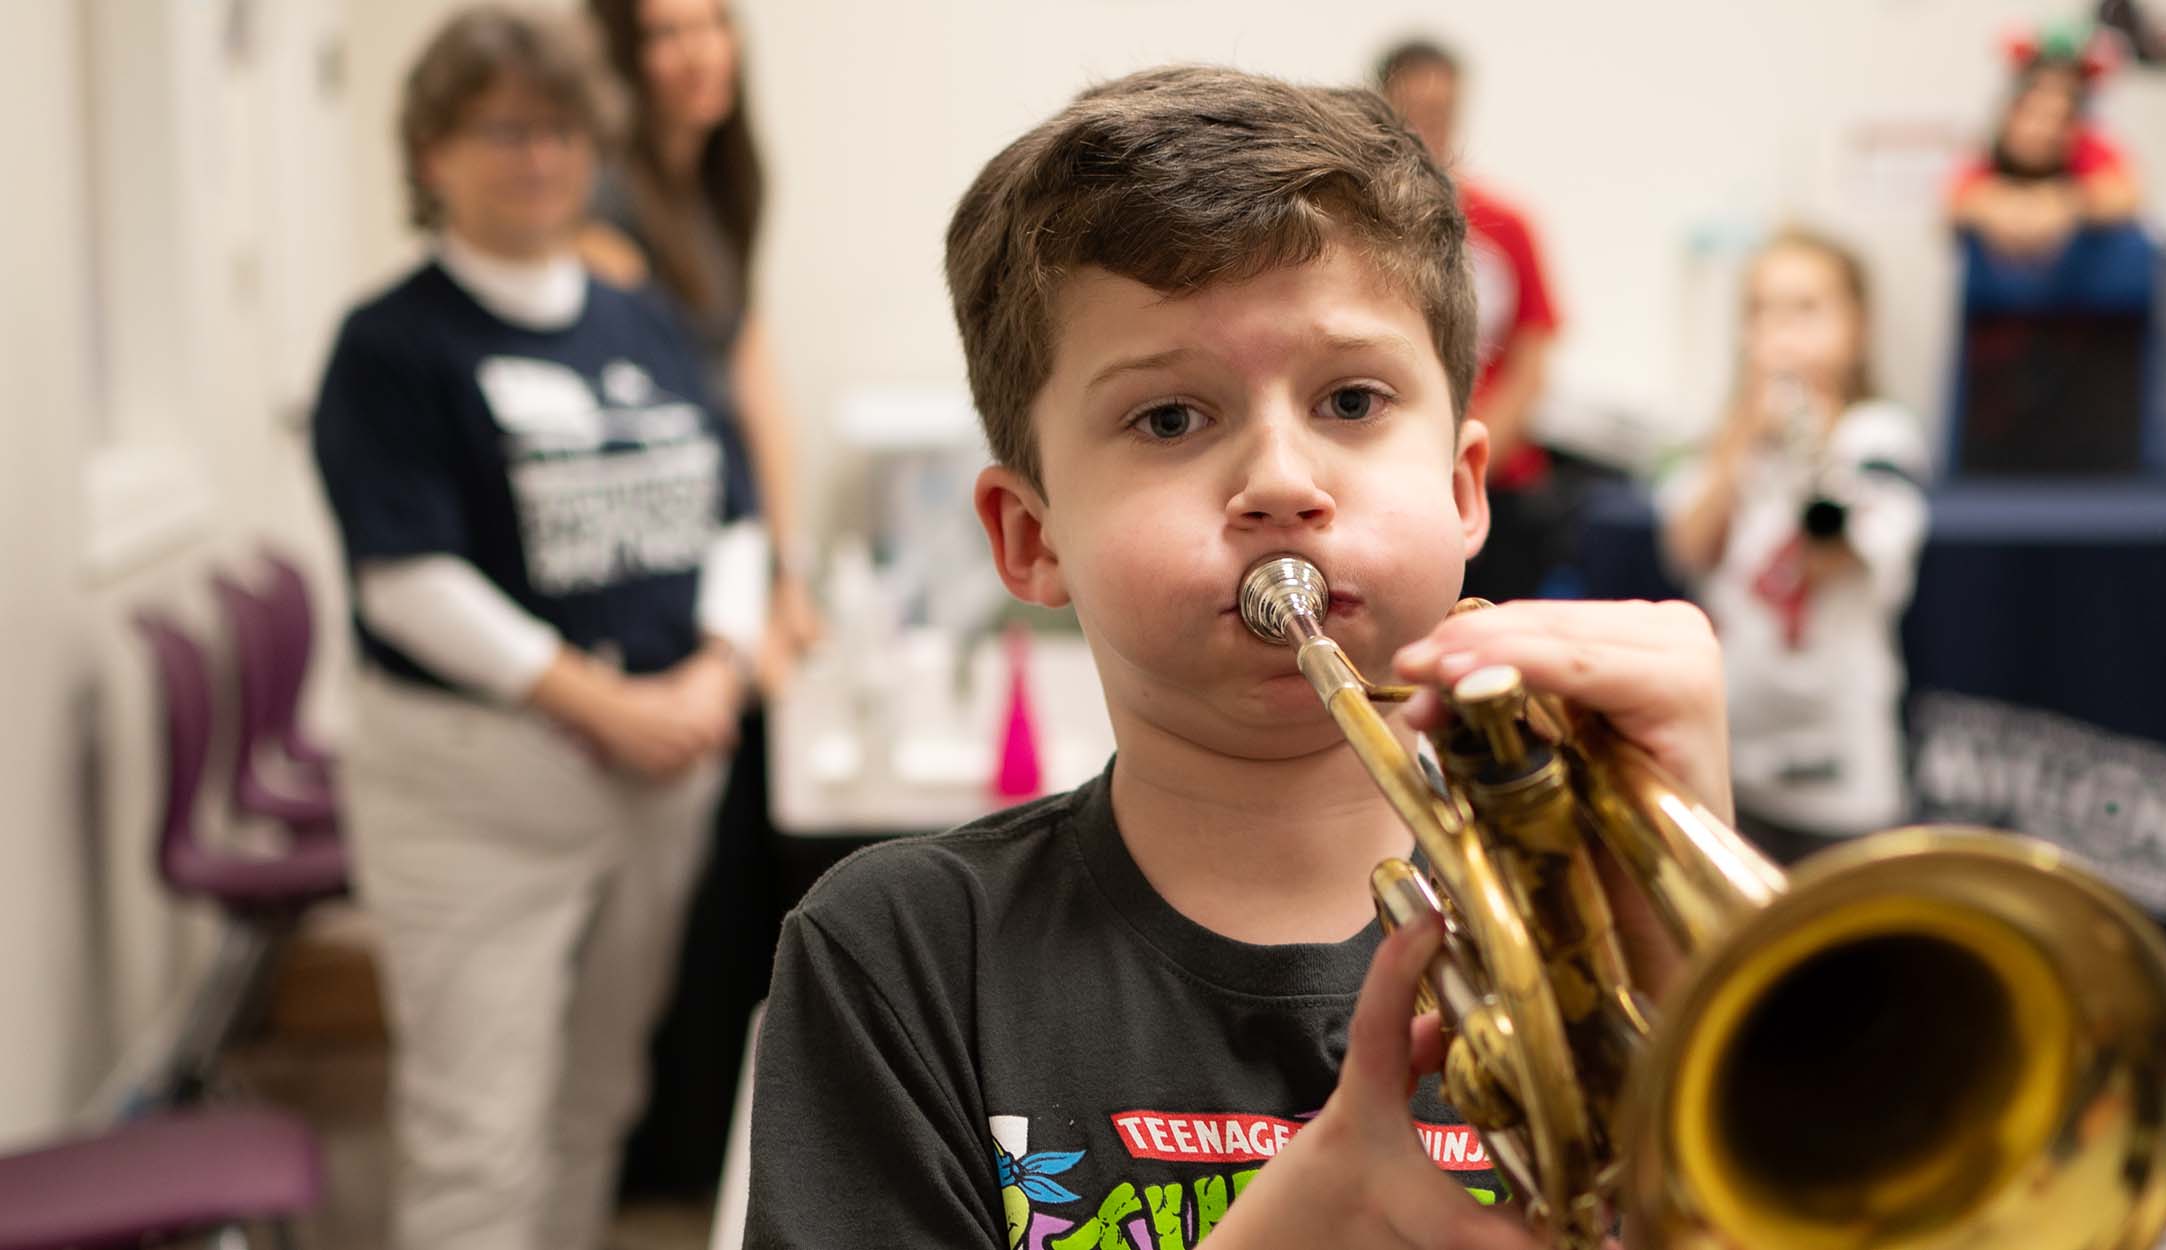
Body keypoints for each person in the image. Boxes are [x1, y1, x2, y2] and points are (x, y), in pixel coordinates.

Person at [742, 66, 1731, 1248]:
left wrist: (1708, 982)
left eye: (1353, 401)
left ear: (1465, 488)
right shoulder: (900, 954)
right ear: (1030, 535)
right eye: (1169, 418)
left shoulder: (1608, 913)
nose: (1281, 480)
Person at [308, 8, 762, 1247]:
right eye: (498, 128)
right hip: (479, 793)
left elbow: (734, 513)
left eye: (558, 126)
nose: (535, 154)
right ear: (429, 154)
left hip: (662, 769)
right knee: (478, 1134)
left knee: (596, 1097)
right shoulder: (391, 344)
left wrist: (716, 670)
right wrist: (607, 704)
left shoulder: (644, 321)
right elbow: (405, 579)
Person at [574, 0, 812, 1194]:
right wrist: (744, 605)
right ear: (618, 57)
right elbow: (673, 433)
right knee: (696, 894)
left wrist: (786, 567)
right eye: (663, 33)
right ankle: (668, 1168)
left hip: (726, 566)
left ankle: (708, 1146)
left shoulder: (714, 186)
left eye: (710, 23)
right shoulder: (608, 207)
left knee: (736, 871)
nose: (695, 53)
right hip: (660, 594)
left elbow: (753, 387)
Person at [1658, 229, 1928, 864]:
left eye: (1806, 309)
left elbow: (1834, 551)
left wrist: (1814, 443)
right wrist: (1741, 438)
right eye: (1762, 311)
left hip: (1844, 773)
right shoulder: (1726, 442)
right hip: (1737, 761)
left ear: (1857, 328)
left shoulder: (1878, 435)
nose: (1782, 332)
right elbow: (1689, 548)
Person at [1378, 39, 1566, 604]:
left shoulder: (1507, 225)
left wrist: (1459, 463)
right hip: (1394, 477)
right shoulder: (1360, 229)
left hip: (1497, 484)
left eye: (1443, 112)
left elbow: (1532, 366)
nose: (1428, 127)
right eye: (1415, 109)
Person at [1947, 24, 2142, 264]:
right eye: (2033, 113)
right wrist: (2004, 207)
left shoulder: (2086, 146)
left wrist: (2064, 204)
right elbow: (1953, 202)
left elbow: (2127, 194)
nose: (2043, 129)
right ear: (2012, 111)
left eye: (2058, 118)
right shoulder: (1990, 149)